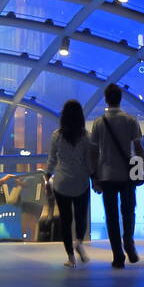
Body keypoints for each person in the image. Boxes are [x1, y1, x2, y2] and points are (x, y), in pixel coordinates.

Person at [89, 83, 144, 269]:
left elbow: (93, 152)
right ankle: (129, 243)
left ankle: (117, 255)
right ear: (120, 99)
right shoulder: (131, 120)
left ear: (106, 99)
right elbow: (139, 149)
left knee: (112, 216)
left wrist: (94, 177)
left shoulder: (99, 123)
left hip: (106, 175)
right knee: (129, 211)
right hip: (128, 175)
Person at [46, 100, 93, 267]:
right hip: (81, 181)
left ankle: (70, 258)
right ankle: (79, 241)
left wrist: (47, 176)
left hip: (62, 183)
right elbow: (89, 161)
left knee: (65, 221)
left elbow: (52, 159)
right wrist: (93, 177)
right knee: (81, 217)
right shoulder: (86, 137)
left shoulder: (57, 136)